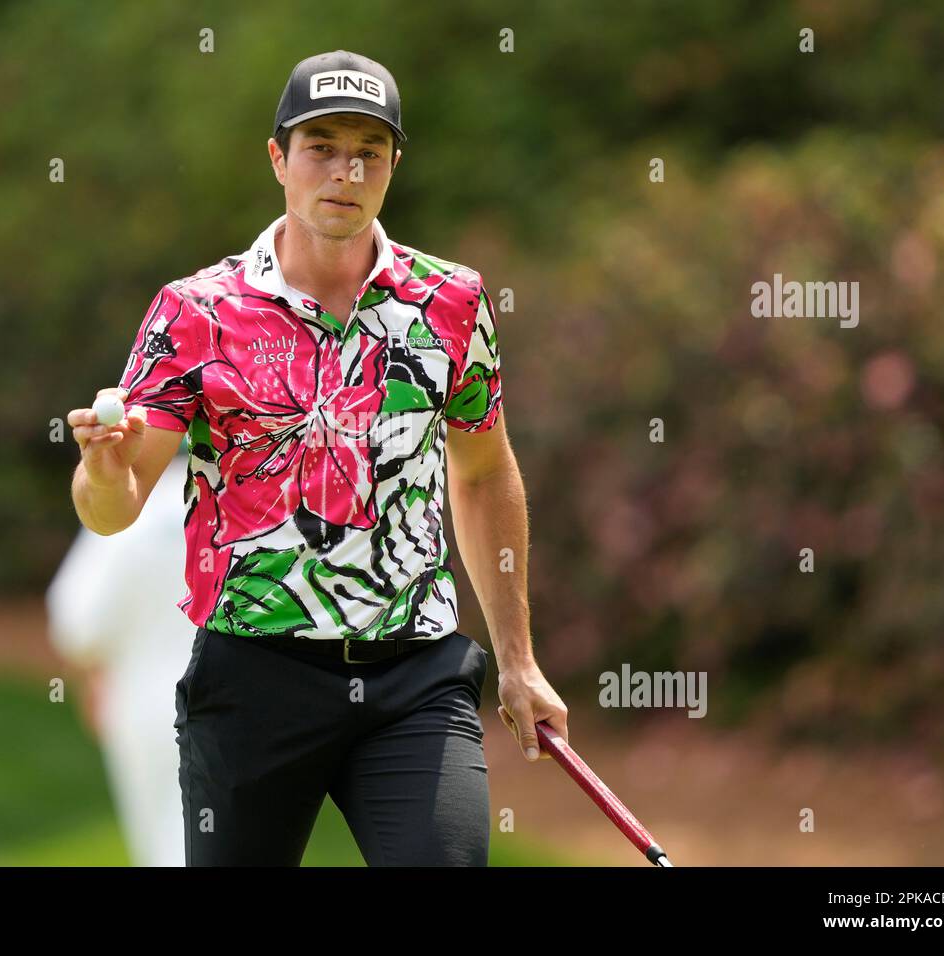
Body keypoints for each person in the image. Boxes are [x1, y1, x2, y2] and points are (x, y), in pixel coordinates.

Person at [67, 50, 568, 866]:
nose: (346, 169)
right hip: (253, 676)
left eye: (369, 149)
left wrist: (517, 662)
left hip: (415, 673)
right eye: (322, 146)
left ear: (394, 166)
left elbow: (482, 474)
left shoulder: (452, 303)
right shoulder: (197, 313)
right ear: (278, 159)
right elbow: (114, 508)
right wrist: (101, 469)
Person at [46, 437, 192, 867]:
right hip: (250, 702)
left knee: (165, 851)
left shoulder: (131, 512)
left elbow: (76, 623)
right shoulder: (254, 503)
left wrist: (92, 675)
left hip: (142, 708)